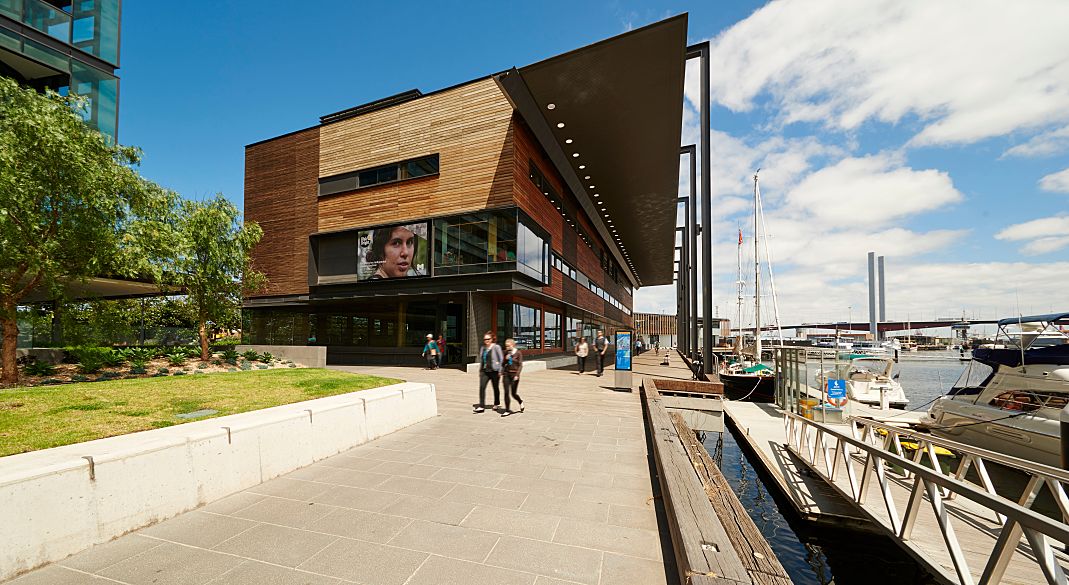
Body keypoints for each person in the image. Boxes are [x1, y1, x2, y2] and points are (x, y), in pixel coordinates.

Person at [474, 331, 502, 413]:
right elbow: (482, 360)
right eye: (485, 339)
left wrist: (500, 370)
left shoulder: (496, 347)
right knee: (482, 387)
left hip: (494, 371)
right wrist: (480, 370)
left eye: (488, 339)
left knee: (495, 387)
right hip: (484, 371)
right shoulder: (483, 348)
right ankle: (481, 406)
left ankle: (496, 403)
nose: (486, 341)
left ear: (492, 339)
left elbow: (501, 359)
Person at [501, 338, 524, 416]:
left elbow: (520, 365)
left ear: (513, 345)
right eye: (506, 346)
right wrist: (505, 359)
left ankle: (520, 401)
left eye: (508, 346)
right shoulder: (505, 352)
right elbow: (502, 364)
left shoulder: (518, 353)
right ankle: (507, 410)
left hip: (514, 375)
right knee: (506, 392)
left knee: (513, 393)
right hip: (506, 374)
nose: (507, 347)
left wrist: (517, 375)